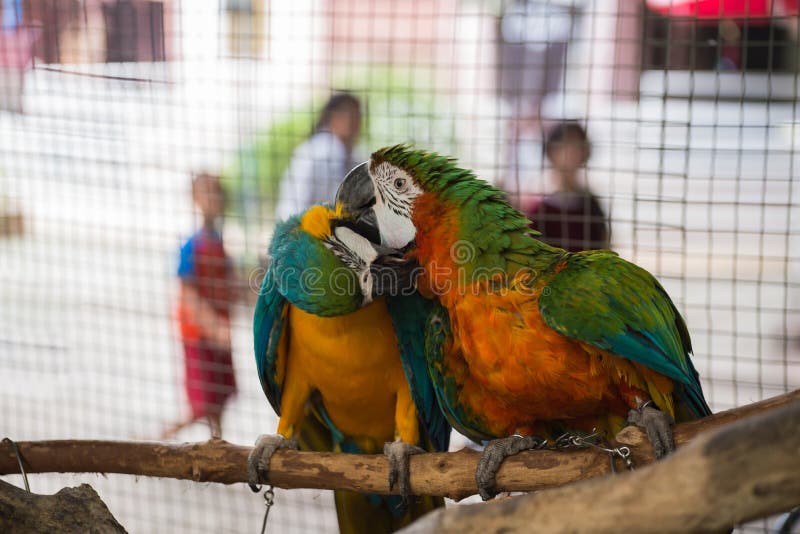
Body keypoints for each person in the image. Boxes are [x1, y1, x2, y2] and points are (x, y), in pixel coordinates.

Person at [163, 173, 237, 440]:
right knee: (202, 402)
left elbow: (232, 286)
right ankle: (164, 436)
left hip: (217, 330)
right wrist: (214, 326)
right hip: (198, 333)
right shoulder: (191, 246)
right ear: (195, 199)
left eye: (217, 193)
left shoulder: (218, 242)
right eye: (207, 193)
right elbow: (188, 296)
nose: (214, 199)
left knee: (220, 395)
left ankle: (217, 440)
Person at [521, 121, 609, 252]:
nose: (571, 153)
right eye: (565, 145)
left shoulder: (591, 205)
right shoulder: (537, 203)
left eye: (577, 146)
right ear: (551, 151)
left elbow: (603, 246)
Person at [275, 92, 362, 220]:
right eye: (346, 113)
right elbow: (297, 203)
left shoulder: (353, 154)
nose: (353, 121)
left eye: (356, 115)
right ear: (331, 117)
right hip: (305, 229)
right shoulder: (319, 151)